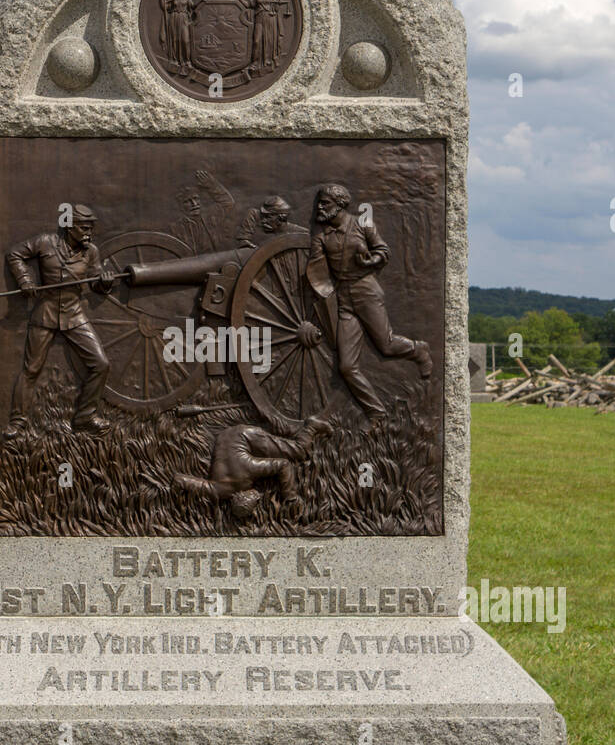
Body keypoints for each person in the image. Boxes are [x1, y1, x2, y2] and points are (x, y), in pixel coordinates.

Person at [306, 183, 432, 421]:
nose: (319, 207)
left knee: (386, 345)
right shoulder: (321, 237)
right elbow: (317, 270)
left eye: (325, 203)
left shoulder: (363, 224)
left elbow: (383, 251)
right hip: (344, 299)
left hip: (366, 290)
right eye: (318, 203)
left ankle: (418, 349)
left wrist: (370, 261)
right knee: (346, 366)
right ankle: (376, 413)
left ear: (340, 204)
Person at [4, 205, 114, 436]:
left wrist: (104, 281)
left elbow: (95, 283)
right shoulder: (45, 242)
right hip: (46, 312)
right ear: (69, 226)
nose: (88, 233)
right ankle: (17, 422)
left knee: (101, 364)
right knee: (31, 369)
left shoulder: (91, 251)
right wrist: (24, 279)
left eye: (91, 229)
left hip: (75, 313)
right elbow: (14, 253)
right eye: (84, 228)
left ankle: (86, 416)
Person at [174, 416, 330, 519]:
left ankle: (311, 426)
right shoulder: (215, 490)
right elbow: (179, 480)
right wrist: (179, 507)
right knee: (281, 445)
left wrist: (290, 496)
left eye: (254, 498)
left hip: (246, 436)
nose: (257, 494)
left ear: (243, 493)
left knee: (299, 452)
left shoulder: (250, 470)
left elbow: (284, 465)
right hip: (224, 436)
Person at [170, 168, 235, 252]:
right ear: (181, 206)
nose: (194, 204)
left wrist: (212, 185)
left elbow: (228, 202)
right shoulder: (176, 228)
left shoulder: (211, 217)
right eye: (187, 201)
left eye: (196, 199)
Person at [235, 194, 307, 245]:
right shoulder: (256, 216)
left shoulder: (299, 233)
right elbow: (253, 212)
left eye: (268, 217)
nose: (263, 220)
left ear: (280, 218)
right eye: (263, 216)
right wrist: (244, 239)